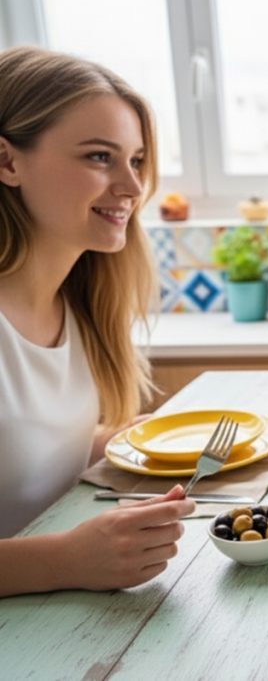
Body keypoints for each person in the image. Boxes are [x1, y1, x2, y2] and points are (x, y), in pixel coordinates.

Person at [0, 47, 194, 595]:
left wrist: (124, 442)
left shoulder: (80, 308)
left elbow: (25, 453)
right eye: (98, 157)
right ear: (8, 163)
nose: (133, 188)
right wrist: (63, 561)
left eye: (134, 160)